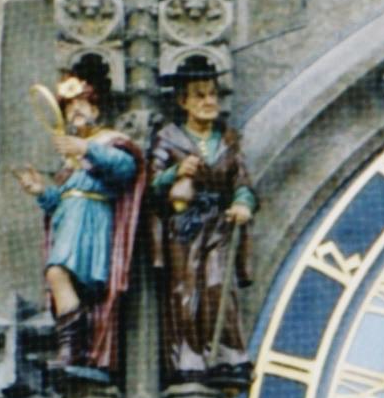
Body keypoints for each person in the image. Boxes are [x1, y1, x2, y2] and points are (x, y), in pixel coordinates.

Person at [19, 52, 143, 379]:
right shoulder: (70, 162)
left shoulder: (110, 142)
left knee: (59, 273)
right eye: (70, 109)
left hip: (93, 222)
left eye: (81, 107)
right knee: (60, 277)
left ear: (96, 110)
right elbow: (59, 202)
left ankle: (74, 348)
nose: (75, 113)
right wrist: (41, 192)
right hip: (70, 221)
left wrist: (85, 149)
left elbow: (126, 168)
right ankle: (75, 350)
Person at [152, 54, 255, 378]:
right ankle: (188, 356)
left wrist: (242, 202)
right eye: (200, 95)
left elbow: (242, 180)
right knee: (186, 291)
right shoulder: (169, 138)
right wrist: (174, 174)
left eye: (212, 94)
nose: (209, 101)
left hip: (219, 223)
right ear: (183, 101)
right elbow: (151, 185)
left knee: (216, 283)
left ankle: (227, 354)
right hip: (184, 225)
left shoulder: (227, 141)